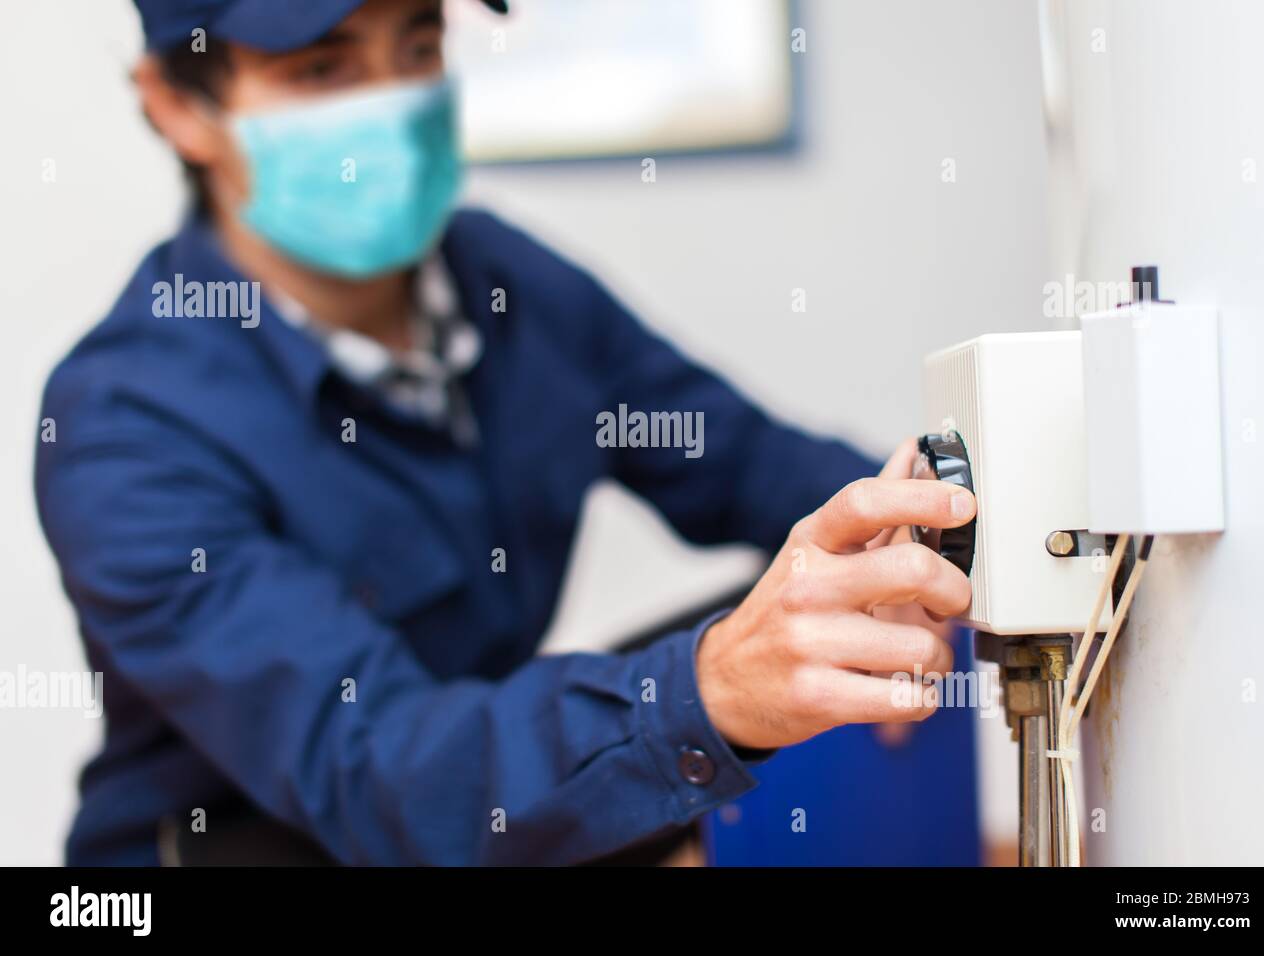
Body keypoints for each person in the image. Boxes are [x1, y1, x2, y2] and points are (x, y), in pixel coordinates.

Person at [35, 0, 975, 865]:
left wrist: (929, 543)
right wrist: (715, 692)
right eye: (322, 70)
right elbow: (380, 765)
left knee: (813, 600)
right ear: (178, 105)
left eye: (418, 47)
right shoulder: (123, 427)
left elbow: (753, 463)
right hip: (257, 845)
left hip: (474, 800)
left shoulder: (507, 283)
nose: (397, 105)